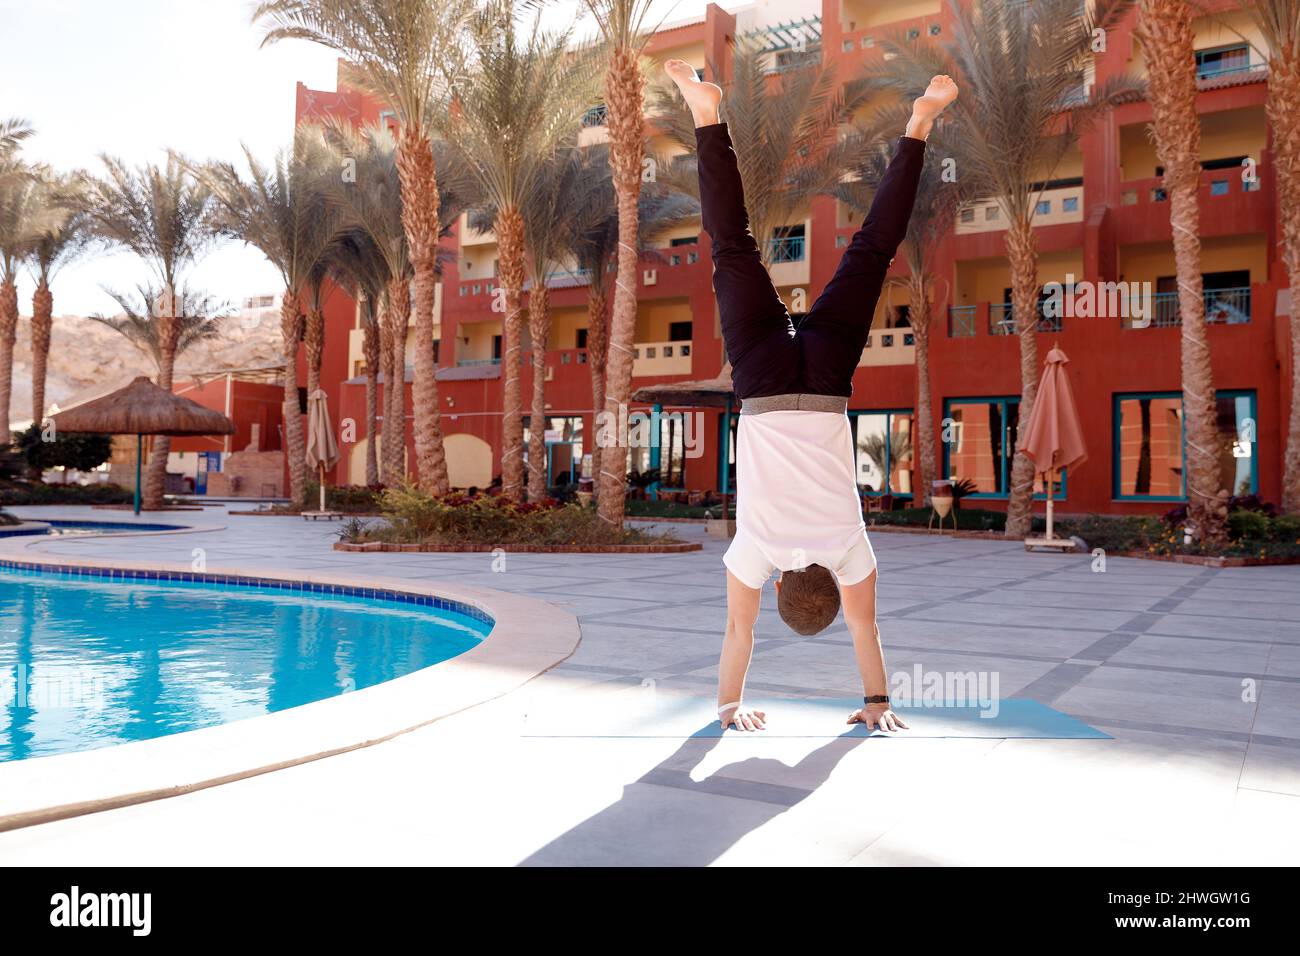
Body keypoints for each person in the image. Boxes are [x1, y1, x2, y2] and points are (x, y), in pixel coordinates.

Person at [662, 59, 959, 733]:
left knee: (873, 252)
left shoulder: (849, 548)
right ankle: (707, 114)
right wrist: (730, 709)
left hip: (824, 377)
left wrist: (877, 703)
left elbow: (865, 625)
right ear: (779, 587)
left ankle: (917, 124)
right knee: (732, 250)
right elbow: (741, 636)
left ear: (826, 580)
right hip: (764, 378)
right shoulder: (755, 552)